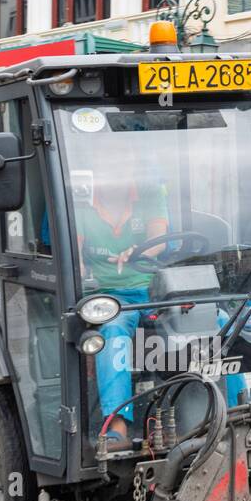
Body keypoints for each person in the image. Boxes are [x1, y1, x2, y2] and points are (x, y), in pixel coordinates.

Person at [76, 161, 169, 447]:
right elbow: (74, 253)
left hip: (153, 290)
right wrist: (79, 274)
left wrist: (138, 251)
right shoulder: (81, 200)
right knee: (113, 331)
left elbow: (159, 240)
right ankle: (117, 428)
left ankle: (233, 411)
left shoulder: (150, 193)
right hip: (108, 296)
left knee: (213, 320)